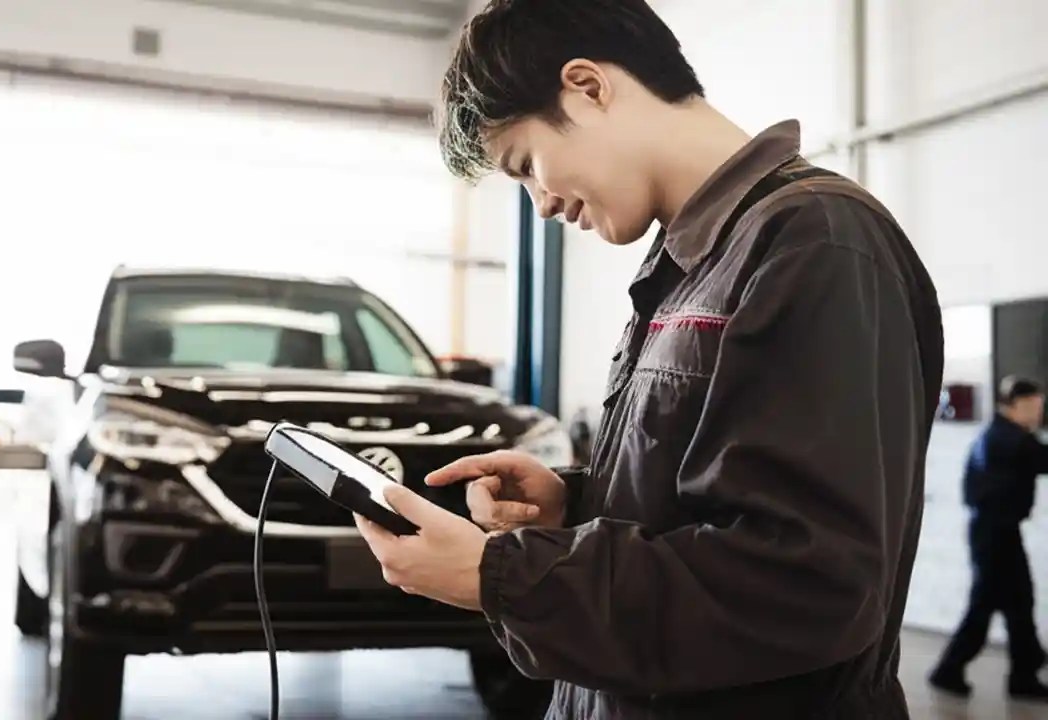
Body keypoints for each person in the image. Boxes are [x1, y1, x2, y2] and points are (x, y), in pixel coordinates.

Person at [350, 1, 945, 718]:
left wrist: (497, 575)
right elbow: (708, 501)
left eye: (528, 166)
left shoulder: (815, 243)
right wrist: (574, 503)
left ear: (588, 87)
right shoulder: (693, 262)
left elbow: (806, 583)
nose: (541, 205)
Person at [929, 377, 1048, 701]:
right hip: (995, 535)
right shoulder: (1012, 439)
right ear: (1011, 405)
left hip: (994, 532)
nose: (1038, 413)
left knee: (1017, 602)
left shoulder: (994, 434)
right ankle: (950, 669)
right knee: (988, 605)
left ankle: (1025, 671)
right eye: (1033, 407)